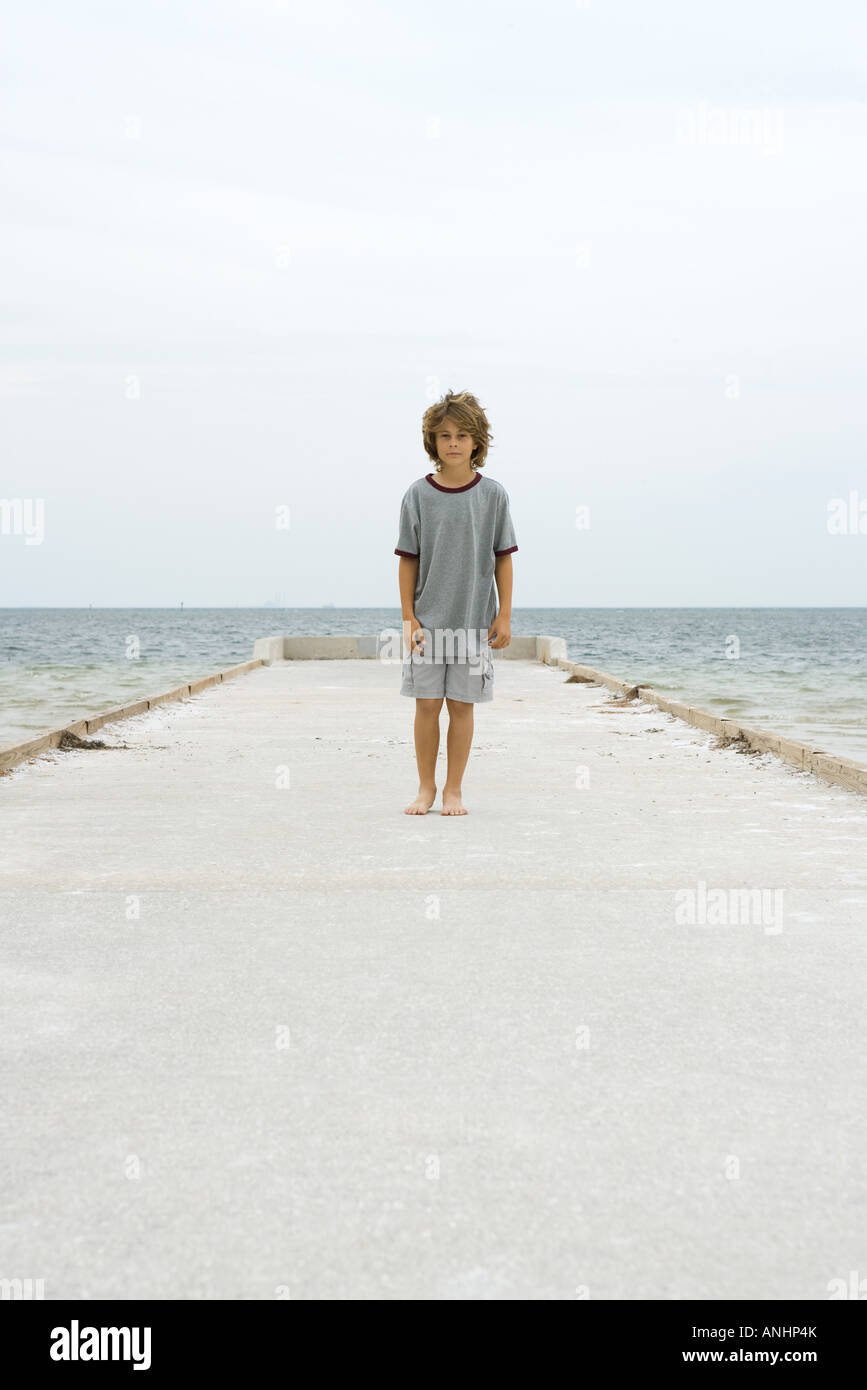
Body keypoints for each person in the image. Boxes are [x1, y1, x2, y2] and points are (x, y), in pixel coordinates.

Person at [394, 389, 518, 816]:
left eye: (463, 435)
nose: (453, 443)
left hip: (473, 624)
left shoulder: (493, 496)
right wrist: (409, 617)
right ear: (432, 441)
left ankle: (454, 791)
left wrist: (503, 614)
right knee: (426, 706)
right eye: (445, 435)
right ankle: (426, 788)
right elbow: (408, 560)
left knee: (462, 707)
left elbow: (503, 559)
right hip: (428, 624)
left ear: (477, 442)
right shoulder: (418, 495)